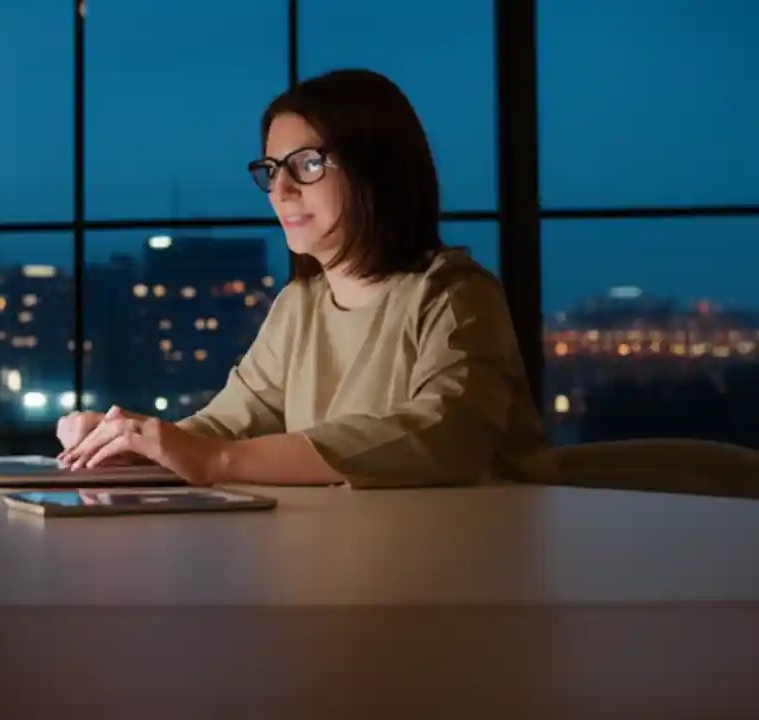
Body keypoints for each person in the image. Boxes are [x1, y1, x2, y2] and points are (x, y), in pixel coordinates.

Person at [56, 68, 557, 489]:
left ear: (375, 171)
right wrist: (135, 441)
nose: (282, 189)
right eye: (272, 170)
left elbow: (442, 438)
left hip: (486, 564)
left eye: (308, 164)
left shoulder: (456, 296)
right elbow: (228, 424)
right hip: (351, 556)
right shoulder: (300, 304)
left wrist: (211, 460)